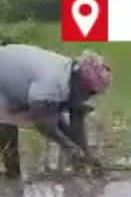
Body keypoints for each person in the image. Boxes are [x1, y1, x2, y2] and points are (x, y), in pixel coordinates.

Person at [0, 44, 111, 179]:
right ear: (80, 83)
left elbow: (75, 126)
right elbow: (43, 123)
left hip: (19, 82)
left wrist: (87, 156)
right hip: (6, 75)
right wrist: (70, 148)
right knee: (7, 128)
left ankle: (13, 176)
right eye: (89, 92)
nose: (89, 96)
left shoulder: (74, 83)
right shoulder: (53, 81)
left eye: (93, 93)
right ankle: (13, 177)